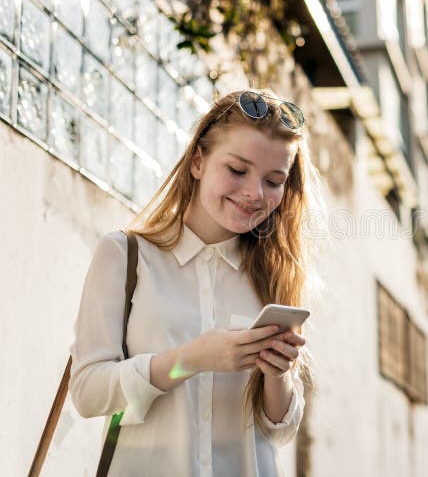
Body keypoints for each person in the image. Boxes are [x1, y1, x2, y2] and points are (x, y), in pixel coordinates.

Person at [69, 89, 326, 476]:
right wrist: (189, 360)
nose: (255, 193)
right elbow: (87, 393)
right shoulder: (124, 256)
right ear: (197, 162)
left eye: (274, 181)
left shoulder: (275, 275)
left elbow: (279, 428)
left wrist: (279, 374)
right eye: (238, 170)